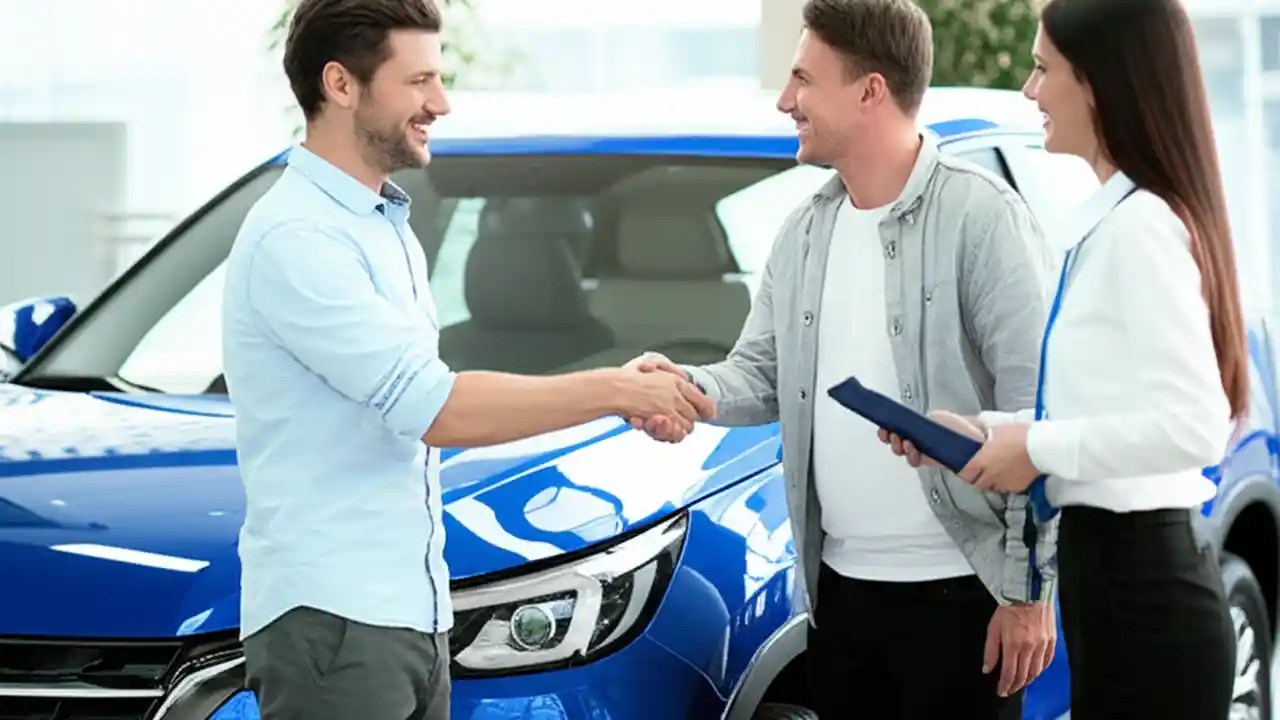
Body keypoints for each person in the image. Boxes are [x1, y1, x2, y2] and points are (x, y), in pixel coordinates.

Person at [219, 1, 716, 719]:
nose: (440, 103)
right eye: (418, 80)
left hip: (408, 615)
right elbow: (438, 408)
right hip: (336, 622)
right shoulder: (298, 239)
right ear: (340, 84)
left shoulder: (383, 227)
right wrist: (618, 390)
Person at [630, 1, 1057, 716]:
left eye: (803, 80)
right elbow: (759, 374)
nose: (784, 101)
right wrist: (686, 388)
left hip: (962, 603)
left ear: (870, 90)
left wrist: (1028, 594)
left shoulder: (983, 219)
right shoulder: (803, 232)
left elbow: (1040, 413)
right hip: (840, 604)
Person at [881, 0, 1244, 716]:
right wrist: (984, 435)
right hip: (1114, 579)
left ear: (1101, 84)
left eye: (1044, 69)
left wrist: (1037, 448)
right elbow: (1095, 406)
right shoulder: (1114, 219)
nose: (1029, 90)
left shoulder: (1142, 227)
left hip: (1146, 591)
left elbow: (1197, 427)